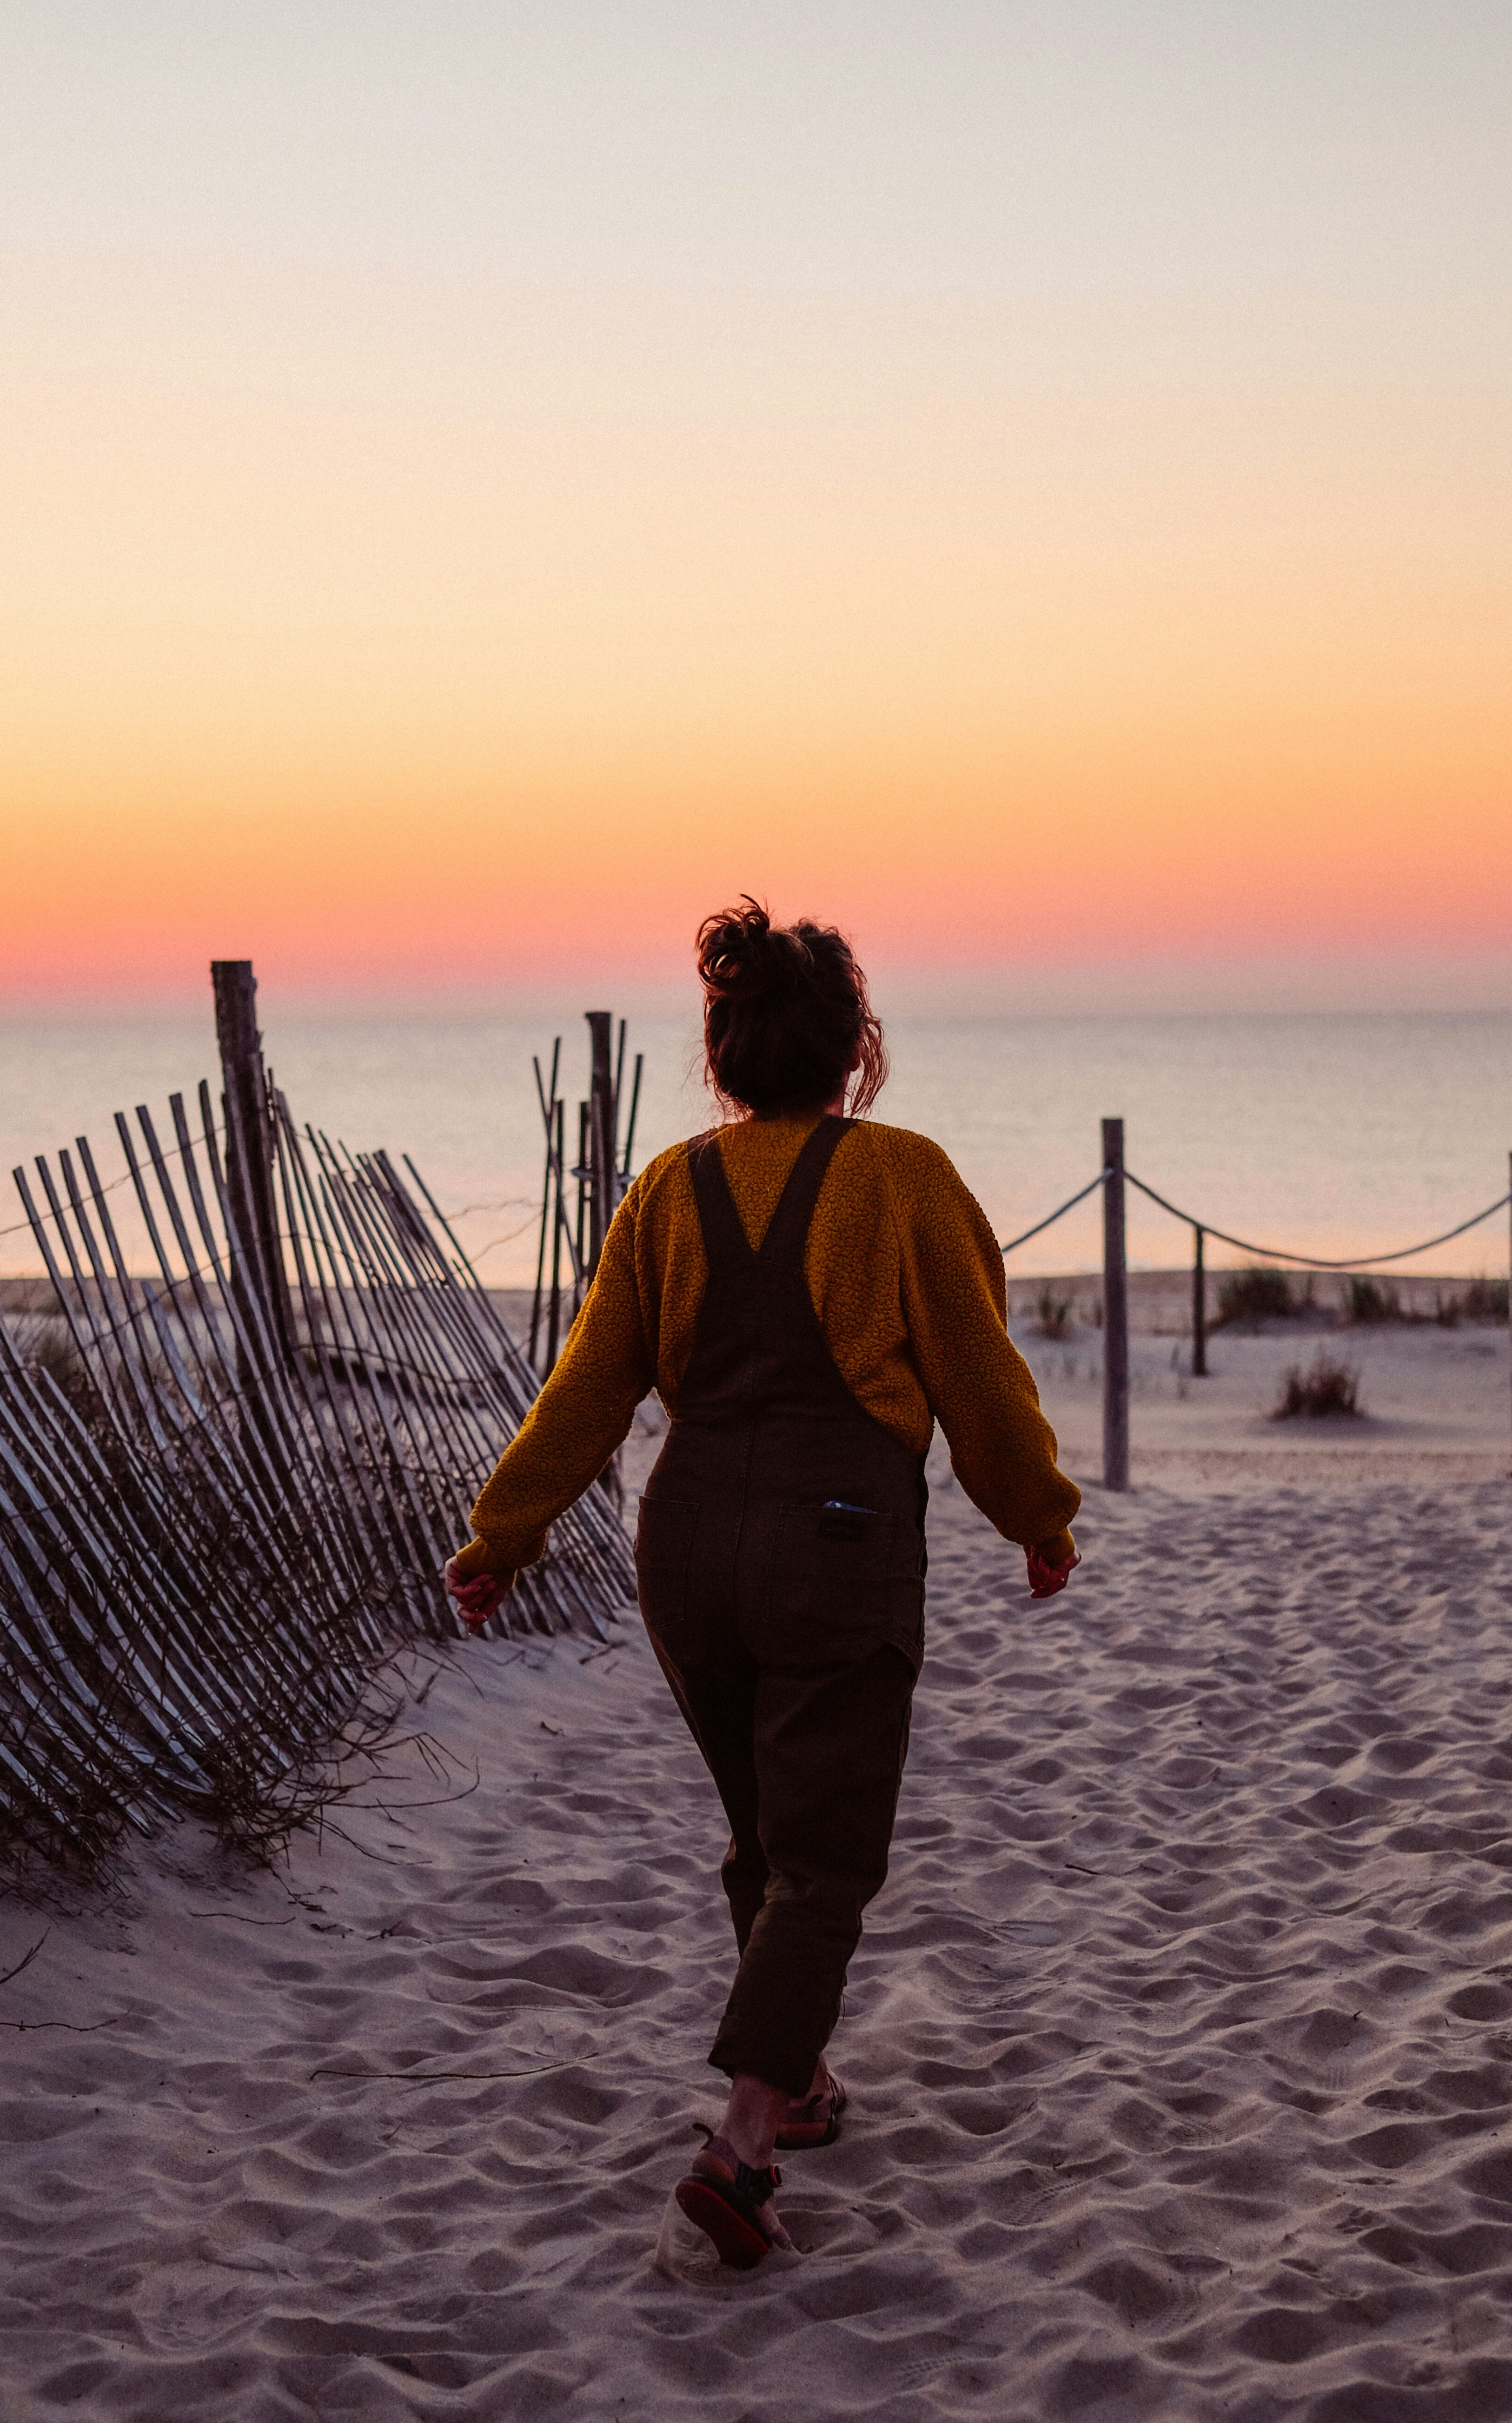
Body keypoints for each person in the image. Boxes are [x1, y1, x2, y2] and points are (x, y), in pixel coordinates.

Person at [445, 903, 1080, 2267]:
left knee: (765, 1832)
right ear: (853, 1054)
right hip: (837, 1537)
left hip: (683, 1552)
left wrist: (504, 1533)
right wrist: (1036, 1514)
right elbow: (977, 1376)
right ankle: (740, 2144)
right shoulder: (900, 1176)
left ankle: (795, 2087)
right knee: (828, 1857)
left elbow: (589, 1391)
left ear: (727, 1061)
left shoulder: (665, 1191)